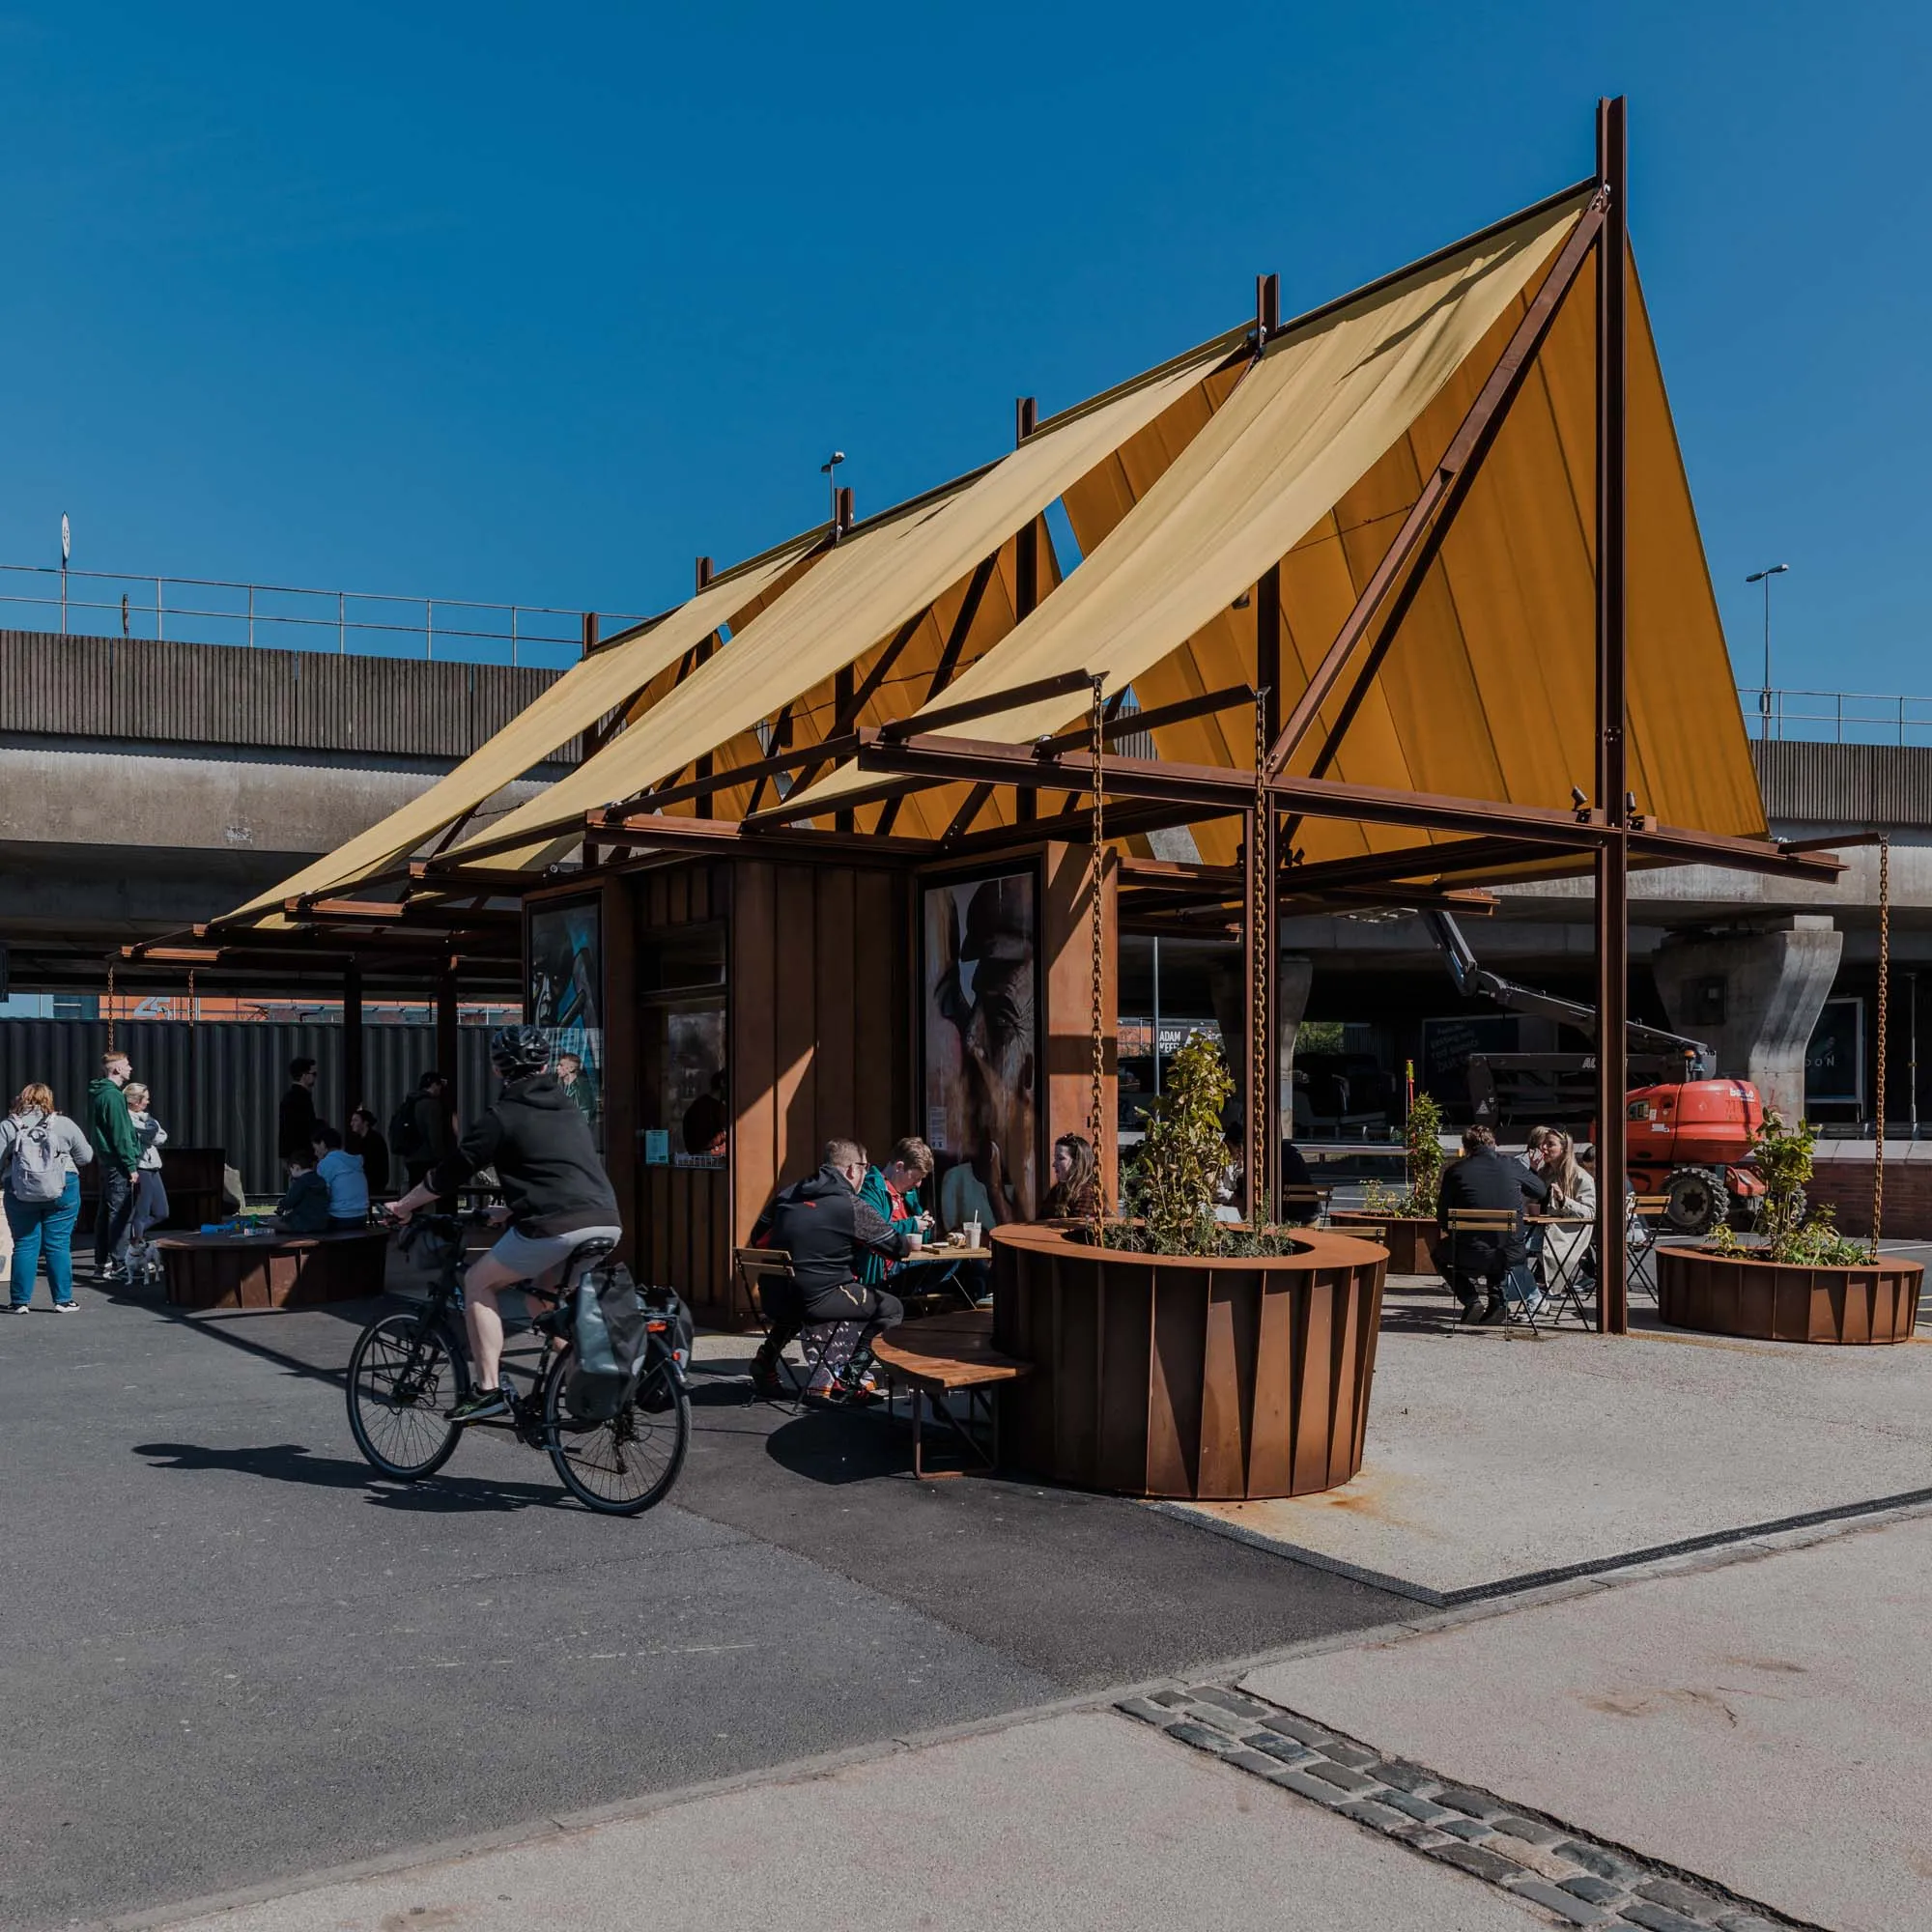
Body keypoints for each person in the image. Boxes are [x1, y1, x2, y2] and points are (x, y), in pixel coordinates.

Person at [389, 1027, 621, 1426]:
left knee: (478, 1282)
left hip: (553, 1226)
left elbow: (450, 1173)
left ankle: (487, 1390)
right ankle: (586, 1389)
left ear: (498, 1070)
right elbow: (558, 1173)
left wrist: (403, 1206)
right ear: (545, 1066)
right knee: (542, 1302)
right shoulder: (568, 1109)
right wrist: (513, 1212)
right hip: (605, 1222)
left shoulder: (502, 1116)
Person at [748, 1139, 921, 1403]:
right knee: (892, 1308)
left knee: (796, 1292)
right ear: (852, 1169)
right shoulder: (850, 1204)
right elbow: (897, 1248)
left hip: (773, 1297)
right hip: (818, 1299)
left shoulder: (788, 1194)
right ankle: (848, 1381)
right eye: (865, 1168)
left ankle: (765, 1360)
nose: (865, 1174)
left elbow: (757, 1236)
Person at [1435, 1123, 1548, 1324]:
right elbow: (1539, 1191)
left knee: (1439, 1255)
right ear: (1494, 1143)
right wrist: (1531, 1170)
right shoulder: (1512, 1165)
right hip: (1509, 1251)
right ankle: (1498, 1302)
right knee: (1498, 1242)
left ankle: (1471, 1299)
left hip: (1468, 1250)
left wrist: (1454, 1234)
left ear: (1466, 1148)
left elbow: (1442, 1214)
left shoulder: (1455, 1171)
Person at [1, 1083, 93, 1312]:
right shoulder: (64, 1124)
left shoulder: (8, 1126)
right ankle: (63, 1300)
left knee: (24, 1243)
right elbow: (85, 1157)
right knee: (58, 1243)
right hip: (62, 1187)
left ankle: (19, 1302)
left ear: (21, 1099)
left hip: (19, 1188)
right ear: (49, 1100)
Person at [88, 1050, 142, 1284]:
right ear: (117, 1069)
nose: (130, 1068)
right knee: (120, 1215)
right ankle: (120, 1264)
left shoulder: (100, 1094)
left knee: (106, 1213)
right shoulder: (113, 1096)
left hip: (107, 1162)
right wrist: (130, 1165)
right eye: (127, 1065)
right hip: (117, 1164)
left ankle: (102, 1264)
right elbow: (120, 1133)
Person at [859, 1137, 935, 1284]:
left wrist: (925, 1225)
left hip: (909, 1259)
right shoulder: (871, 1189)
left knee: (965, 1263)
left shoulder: (909, 1193)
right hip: (886, 1269)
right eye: (916, 1178)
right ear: (899, 1167)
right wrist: (913, 1224)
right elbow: (876, 1232)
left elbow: (920, 1240)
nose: (918, 1185)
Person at [391, 1071, 456, 1200]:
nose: (440, 1089)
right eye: (439, 1085)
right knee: (439, 1195)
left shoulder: (410, 1103)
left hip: (411, 1157)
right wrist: (441, 1158)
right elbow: (434, 1134)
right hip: (427, 1159)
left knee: (416, 1196)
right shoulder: (431, 1105)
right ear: (433, 1085)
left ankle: (412, 1213)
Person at [124, 1083, 171, 1252]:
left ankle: (133, 1235)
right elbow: (147, 1134)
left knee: (162, 1212)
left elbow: (160, 1137)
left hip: (153, 1166)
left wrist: (150, 1131)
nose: (148, 1102)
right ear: (135, 1101)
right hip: (141, 1167)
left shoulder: (146, 1117)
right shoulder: (127, 1118)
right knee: (142, 1211)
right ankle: (136, 1246)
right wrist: (150, 1131)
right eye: (146, 1099)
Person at [310, 1122, 371, 1230]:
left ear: (323, 1144)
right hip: (362, 1216)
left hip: (340, 1217)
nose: (315, 1153)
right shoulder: (354, 1161)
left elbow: (321, 1195)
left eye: (315, 1149)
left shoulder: (326, 1163)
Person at [1042, 1132, 1101, 1221]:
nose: (1054, 1164)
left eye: (1061, 1158)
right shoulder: (1058, 1190)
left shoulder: (1089, 1193)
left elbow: (1079, 1226)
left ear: (1077, 1163)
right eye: (1055, 1158)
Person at [274, 1151, 331, 1235]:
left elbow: (289, 1202)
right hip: (322, 1224)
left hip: (302, 1223)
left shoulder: (300, 1182)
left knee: (272, 1222)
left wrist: (281, 1202)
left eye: (291, 1169)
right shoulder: (320, 1180)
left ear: (296, 1167)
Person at [278, 1058, 321, 1165]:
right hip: (301, 1157)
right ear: (304, 1075)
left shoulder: (291, 1097)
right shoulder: (301, 1098)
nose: (315, 1078)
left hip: (295, 1156)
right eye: (313, 1074)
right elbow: (304, 1129)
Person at [345, 1106, 391, 1196]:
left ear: (365, 1122)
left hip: (373, 1183)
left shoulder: (374, 1139)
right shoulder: (359, 1140)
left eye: (355, 1120)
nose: (351, 1124)